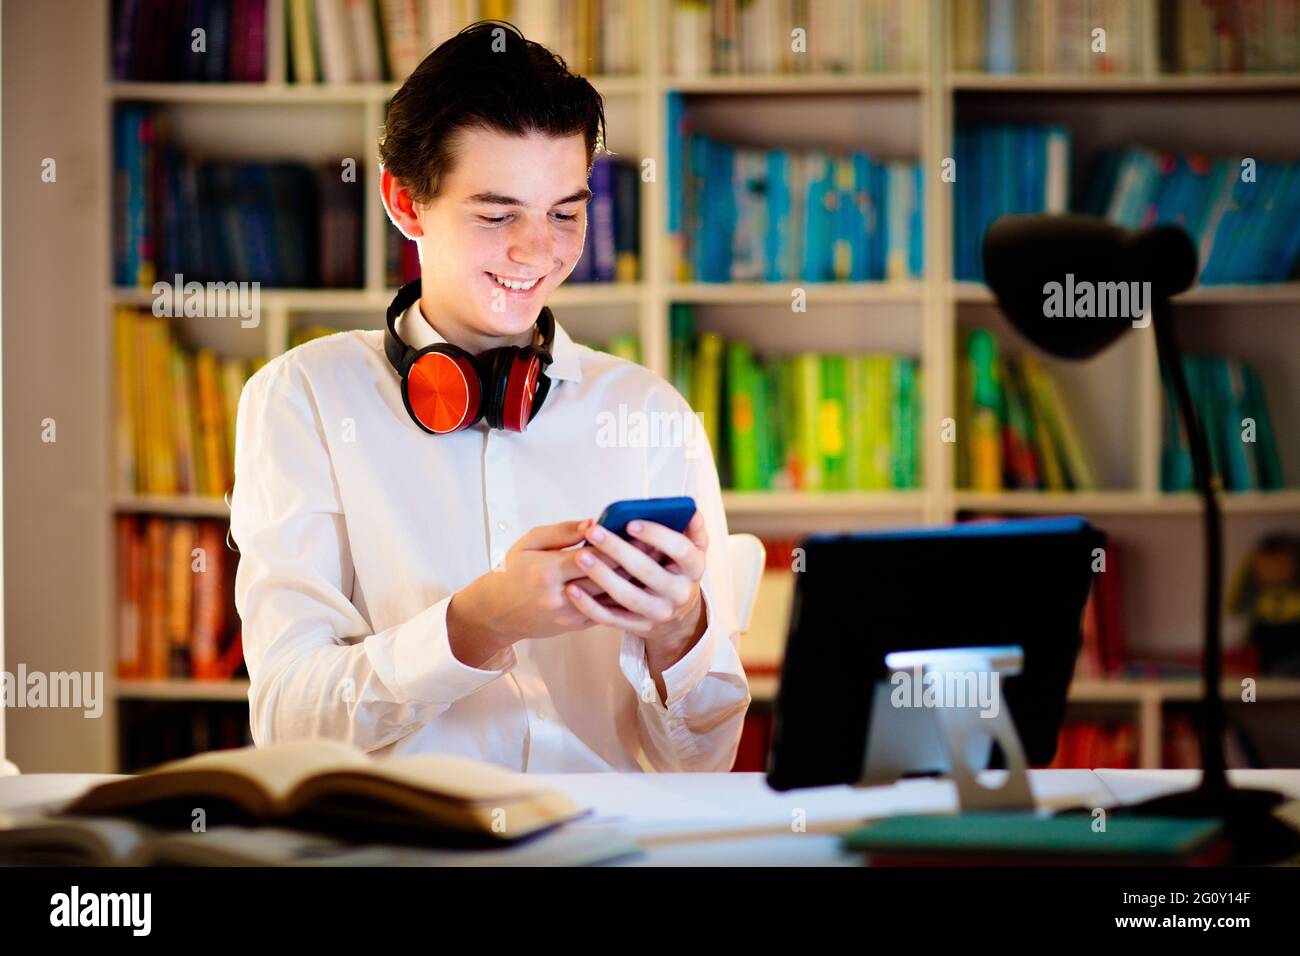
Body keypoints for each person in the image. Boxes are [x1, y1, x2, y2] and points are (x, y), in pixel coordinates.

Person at [229, 21, 750, 772]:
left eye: (565, 213)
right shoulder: (302, 399)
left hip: (604, 845)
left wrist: (678, 632)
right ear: (405, 203)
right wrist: (474, 626)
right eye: (498, 213)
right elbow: (289, 721)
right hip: (404, 846)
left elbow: (702, 766)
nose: (537, 252)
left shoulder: (648, 412)